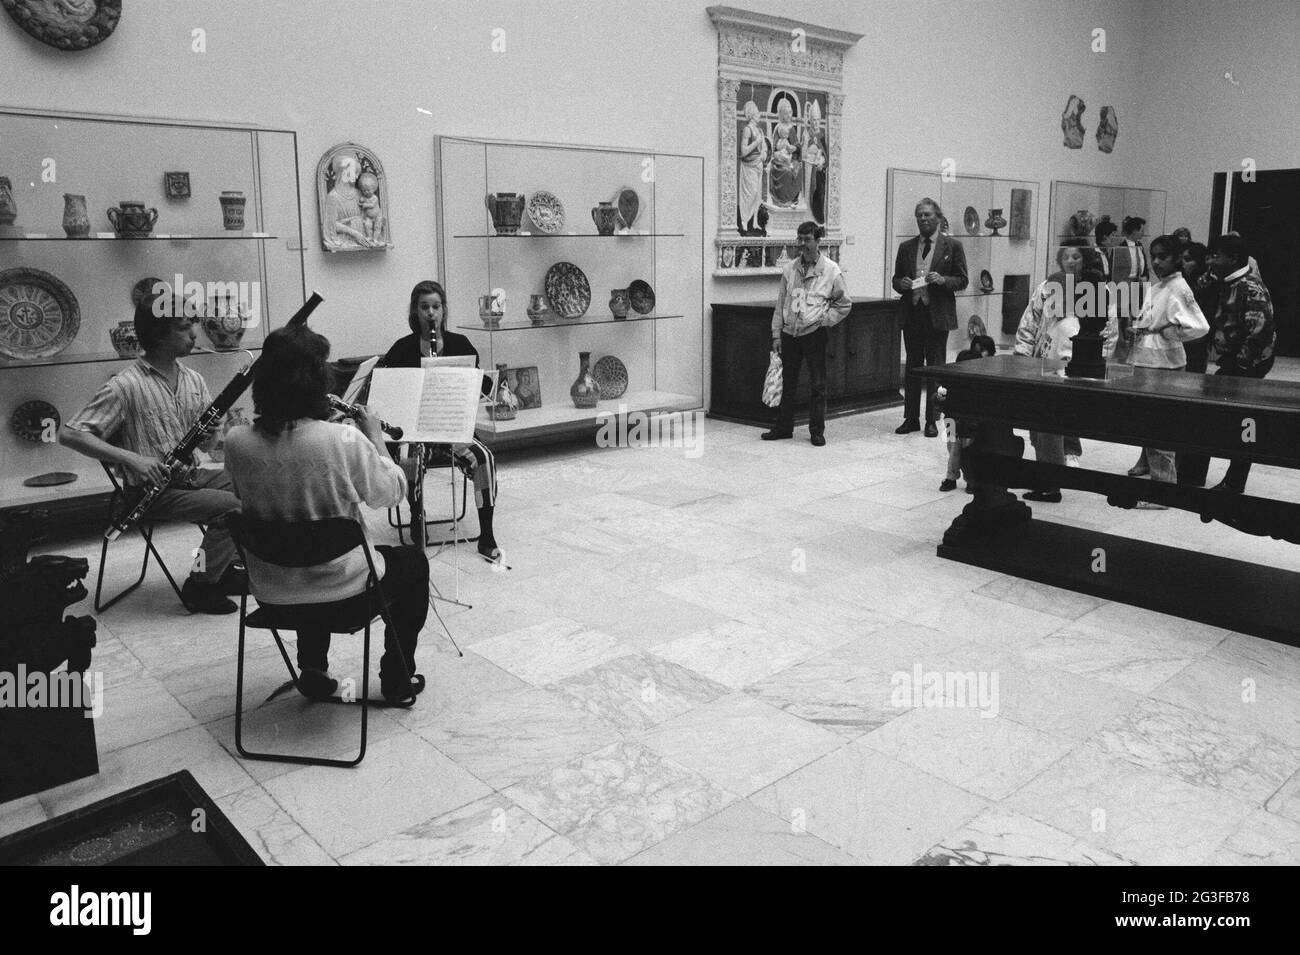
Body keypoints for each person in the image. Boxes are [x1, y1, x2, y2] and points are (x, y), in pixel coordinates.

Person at [223, 323, 427, 705]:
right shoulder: (343, 440)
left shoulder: (236, 441)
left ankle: (313, 670)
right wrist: (375, 439)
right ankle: (397, 679)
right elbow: (391, 493)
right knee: (413, 564)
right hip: (345, 595)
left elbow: (247, 491)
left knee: (299, 538)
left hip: (273, 593)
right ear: (318, 379)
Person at [61, 294, 242, 614]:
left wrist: (216, 430)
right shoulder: (125, 386)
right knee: (232, 509)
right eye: (184, 328)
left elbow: (205, 445)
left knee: (254, 488)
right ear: (159, 334)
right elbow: (70, 434)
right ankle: (200, 584)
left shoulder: (193, 380)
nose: (194, 335)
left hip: (190, 477)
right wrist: (133, 459)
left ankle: (223, 567)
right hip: (151, 491)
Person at [380, 280, 505, 561]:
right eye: (424, 307)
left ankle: (487, 534)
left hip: (452, 426)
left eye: (436, 307)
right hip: (416, 430)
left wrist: (474, 380)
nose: (430, 313)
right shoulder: (401, 348)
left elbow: (480, 386)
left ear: (443, 310)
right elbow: (390, 393)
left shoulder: (460, 344)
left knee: (484, 457)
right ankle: (417, 517)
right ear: (415, 311)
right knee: (408, 458)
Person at [1013, 245, 1115, 503]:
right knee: (1040, 426)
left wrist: (1098, 360)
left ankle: (1053, 478)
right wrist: (1022, 355)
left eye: (1076, 256)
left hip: (1074, 365)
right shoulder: (1047, 287)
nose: (1071, 261)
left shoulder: (1098, 290)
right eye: (1066, 257)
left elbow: (1108, 331)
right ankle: (1048, 476)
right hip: (1045, 360)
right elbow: (1031, 320)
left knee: (1052, 422)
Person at [1119, 235, 1209, 502]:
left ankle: (1163, 491)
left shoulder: (1179, 287)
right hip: (1147, 361)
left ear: (1177, 258)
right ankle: (1152, 469)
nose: (1156, 262)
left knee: (1161, 427)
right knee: (1149, 423)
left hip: (1164, 365)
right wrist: (1138, 329)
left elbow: (1200, 326)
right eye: (1153, 256)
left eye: (1163, 256)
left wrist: (1172, 333)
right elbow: (1152, 318)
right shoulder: (1159, 286)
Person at [762, 220, 851, 446]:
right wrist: (776, 334)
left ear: (818, 240)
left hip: (814, 333)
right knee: (787, 382)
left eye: (807, 239)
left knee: (818, 384)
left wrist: (825, 321)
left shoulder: (831, 270)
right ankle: (784, 427)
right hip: (790, 333)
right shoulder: (790, 268)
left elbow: (844, 303)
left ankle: (816, 431)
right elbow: (781, 303)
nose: (802, 244)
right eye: (799, 239)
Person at [892, 198, 969, 436]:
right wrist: (902, 284)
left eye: (927, 215)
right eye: (919, 215)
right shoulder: (906, 247)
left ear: (938, 217)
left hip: (937, 315)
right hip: (912, 313)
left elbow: (963, 280)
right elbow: (895, 280)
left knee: (935, 368)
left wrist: (943, 280)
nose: (923, 219)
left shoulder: (952, 246)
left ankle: (932, 419)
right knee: (913, 367)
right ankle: (911, 418)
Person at [1206, 233, 1276, 493]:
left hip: (1246, 366)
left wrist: (1241, 365)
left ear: (1233, 258)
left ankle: (1235, 481)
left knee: (1245, 425)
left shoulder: (1250, 286)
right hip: (1232, 362)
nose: (1210, 261)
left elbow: (1260, 330)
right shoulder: (1227, 281)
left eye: (1216, 256)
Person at [1175, 241, 1219, 486]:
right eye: (1182, 258)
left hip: (1195, 346)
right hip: (1182, 342)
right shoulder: (1185, 281)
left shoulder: (1207, 284)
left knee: (1188, 401)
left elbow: (1205, 320)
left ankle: (1183, 464)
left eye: (1189, 259)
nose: (1184, 263)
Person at [938, 347, 984, 493]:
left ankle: (970, 479)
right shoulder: (949, 381)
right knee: (954, 450)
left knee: (967, 450)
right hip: (952, 421)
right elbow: (939, 398)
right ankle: (952, 477)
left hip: (969, 423)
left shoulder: (979, 385)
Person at [737, 100, 767, 234]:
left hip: (758, 165)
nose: (759, 115)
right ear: (752, 115)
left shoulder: (759, 130)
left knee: (757, 196)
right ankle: (744, 220)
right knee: (751, 193)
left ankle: (754, 222)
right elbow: (744, 151)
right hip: (749, 165)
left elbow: (764, 147)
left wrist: (763, 154)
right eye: (757, 113)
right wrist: (756, 142)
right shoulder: (747, 130)